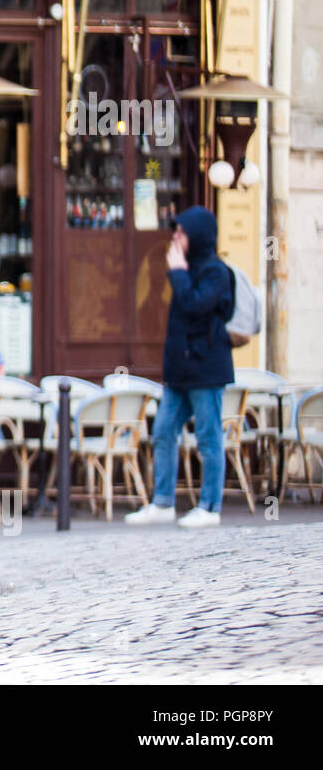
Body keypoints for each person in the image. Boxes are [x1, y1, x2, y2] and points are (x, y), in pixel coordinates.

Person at [126, 205, 234, 529]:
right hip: (181, 372)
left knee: (208, 437)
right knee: (162, 431)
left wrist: (177, 274)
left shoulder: (215, 272)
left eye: (182, 231)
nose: (175, 236)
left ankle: (210, 507)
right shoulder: (186, 269)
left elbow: (195, 304)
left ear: (198, 235)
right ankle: (162, 502)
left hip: (206, 369)